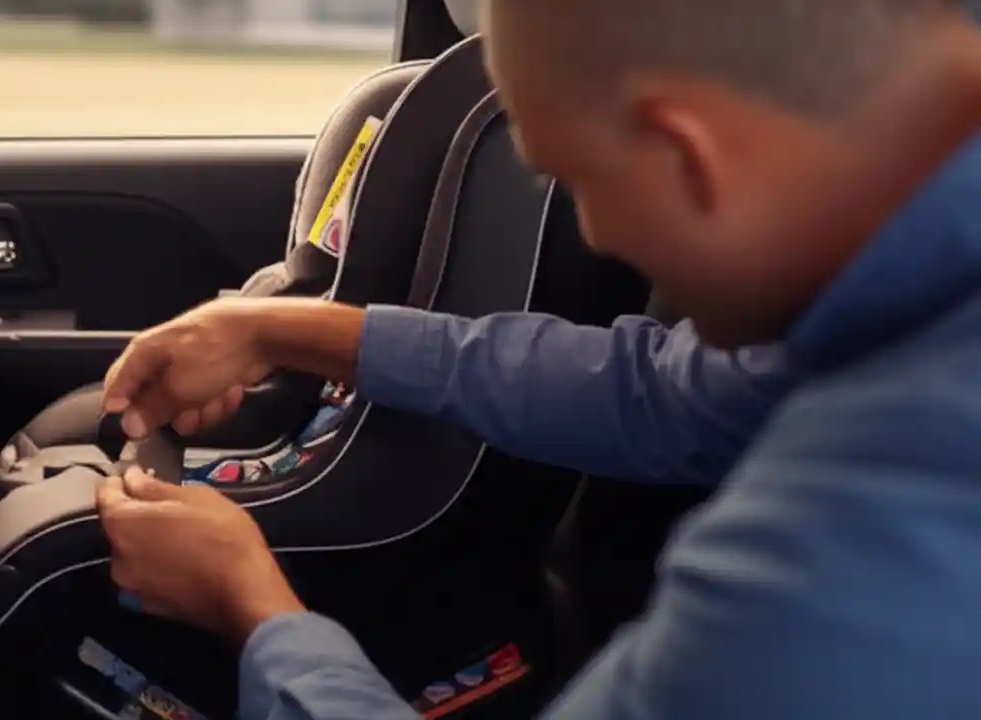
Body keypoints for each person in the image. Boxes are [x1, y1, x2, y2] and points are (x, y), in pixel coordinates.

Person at [97, 0, 981, 717]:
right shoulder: (916, 293)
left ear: (688, 155)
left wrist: (253, 610)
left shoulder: (865, 525)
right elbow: (662, 395)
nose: (597, 233)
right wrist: (275, 330)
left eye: (578, 178)